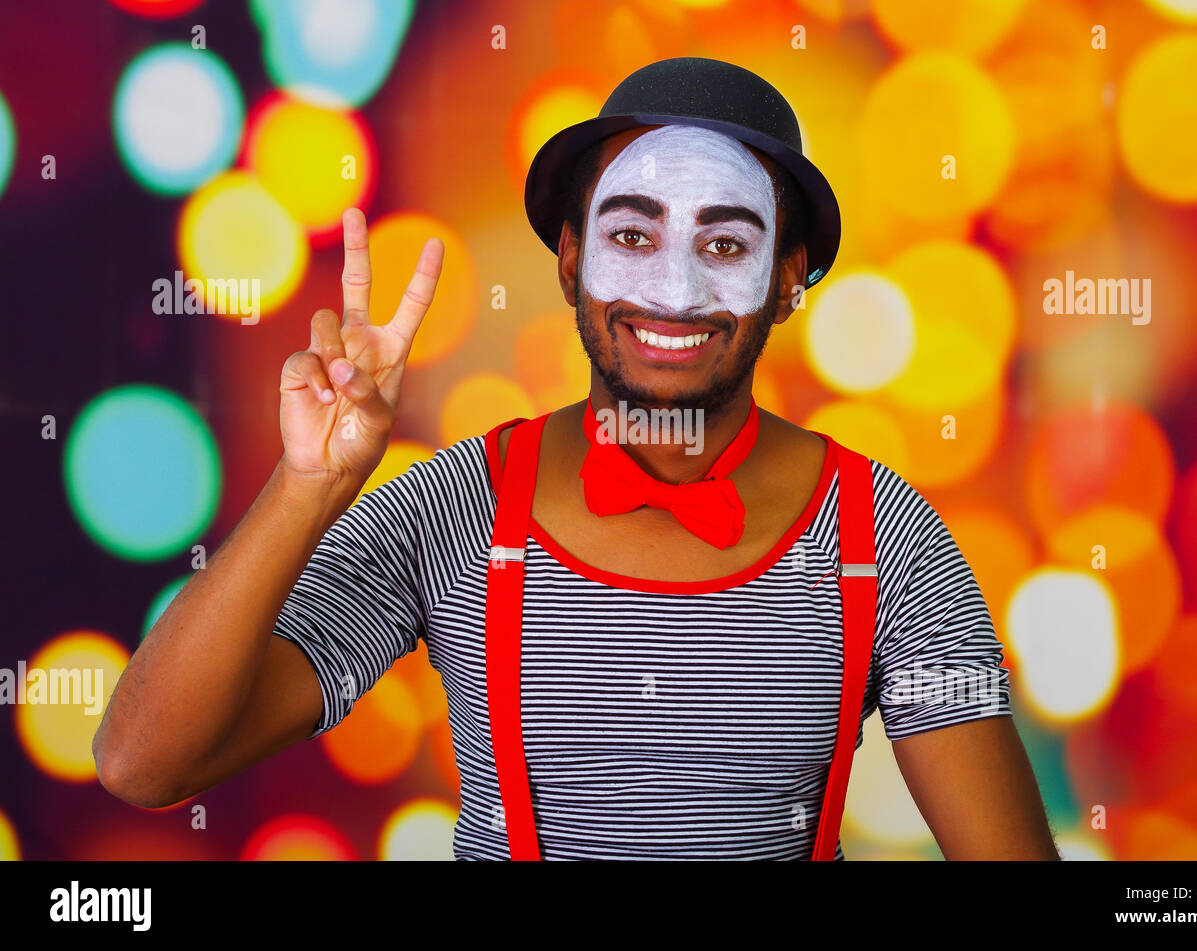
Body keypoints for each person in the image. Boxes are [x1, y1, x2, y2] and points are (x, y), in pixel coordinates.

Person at [94, 57, 1059, 861]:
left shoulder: (884, 536)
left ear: (789, 276)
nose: (673, 291)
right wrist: (312, 485)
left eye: (725, 243)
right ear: (569, 259)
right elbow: (144, 762)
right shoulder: (453, 506)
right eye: (631, 234)